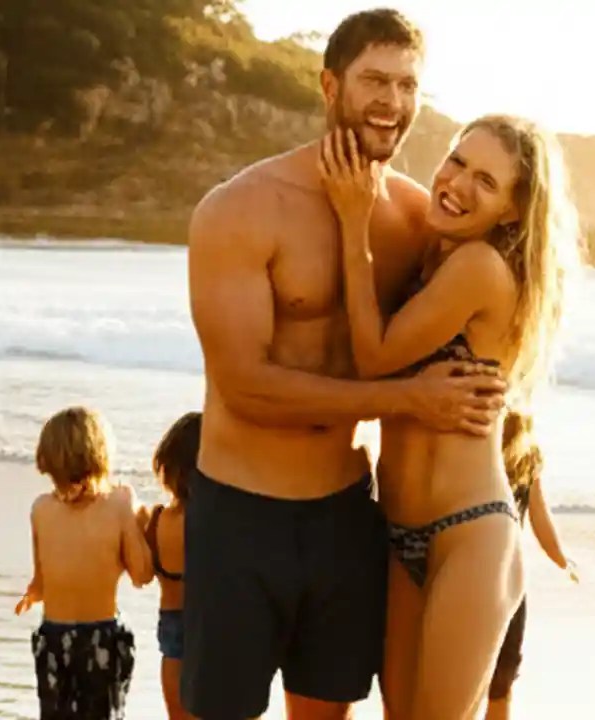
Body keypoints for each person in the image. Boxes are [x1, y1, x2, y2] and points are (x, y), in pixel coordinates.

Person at [185, 8, 507, 719]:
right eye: (373, 81)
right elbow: (245, 387)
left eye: (407, 84)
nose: (391, 101)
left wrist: (505, 499)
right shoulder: (240, 209)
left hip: (346, 518)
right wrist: (408, 400)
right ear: (330, 85)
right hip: (240, 514)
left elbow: (481, 329)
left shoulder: (419, 220)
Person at [319, 109, 581, 719]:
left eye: (486, 182)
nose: (458, 184)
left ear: (511, 212)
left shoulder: (478, 267)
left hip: (469, 534)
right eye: (457, 162)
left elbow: (374, 356)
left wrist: (355, 222)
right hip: (400, 533)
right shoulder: (434, 260)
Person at [14, 406, 153, 719]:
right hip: (101, 637)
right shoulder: (119, 502)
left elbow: (41, 583)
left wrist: (32, 594)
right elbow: (142, 575)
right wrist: (142, 522)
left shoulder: (41, 509)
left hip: (53, 638)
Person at [484, 412, 579, 720]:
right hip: (479, 574)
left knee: (502, 678)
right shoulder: (474, 447)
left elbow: (538, 512)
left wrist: (561, 557)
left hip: (508, 579)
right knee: (477, 679)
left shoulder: (527, 455)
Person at [138, 411, 202, 719]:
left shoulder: (156, 521)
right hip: (213, 624)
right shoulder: (216, 522)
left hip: (173, 627)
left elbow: (142, 576)